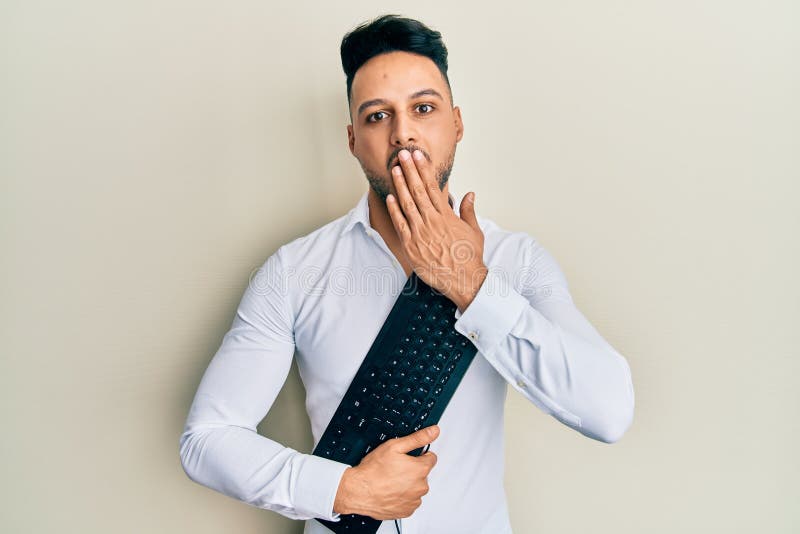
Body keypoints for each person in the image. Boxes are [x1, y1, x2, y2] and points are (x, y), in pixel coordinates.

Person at [179, 14, 635, 534]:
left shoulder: (517, 261)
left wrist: (471, 285)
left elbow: (609, 410)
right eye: (377, 117)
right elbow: (207, 438)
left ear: (457, 123)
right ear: (352, 139)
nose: (403, 134)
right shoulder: (294, 271)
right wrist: (342, 490)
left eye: (423, 108)